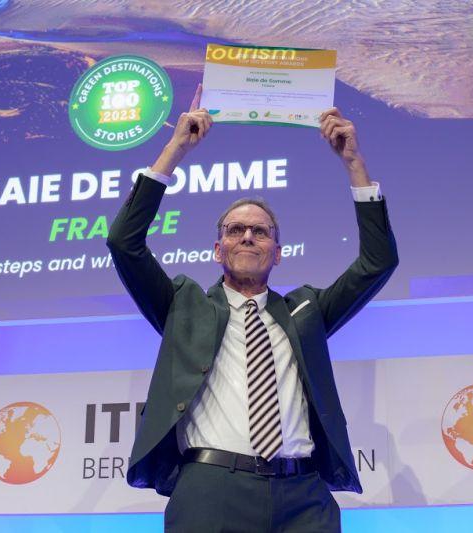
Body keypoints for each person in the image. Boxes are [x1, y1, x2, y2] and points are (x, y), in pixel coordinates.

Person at [107, 84, 398, 532]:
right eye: (235, 230)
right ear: (217, 249)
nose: (247, 236)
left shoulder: (307, 311)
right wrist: (175, 149)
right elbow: (124, 243)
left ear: (277, 253)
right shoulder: (183, 306)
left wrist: (354, 163)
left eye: (260, 232)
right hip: (211, 489)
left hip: (304, 497)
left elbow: (378, 262)